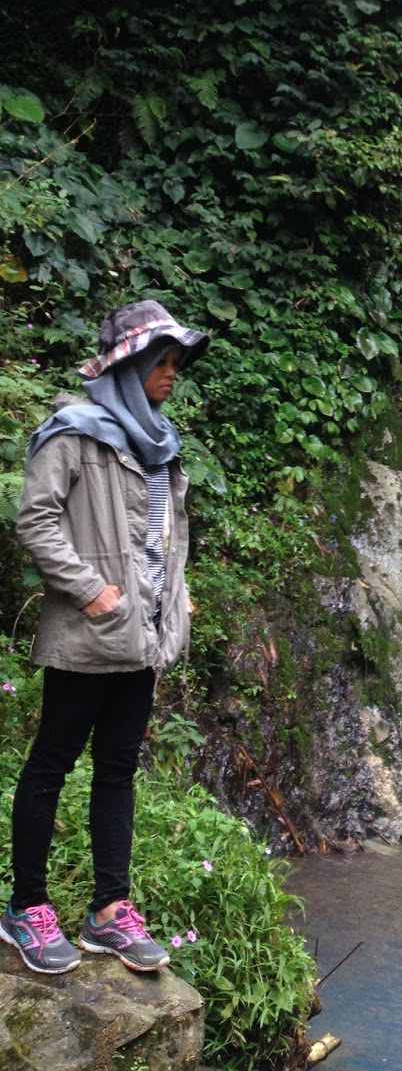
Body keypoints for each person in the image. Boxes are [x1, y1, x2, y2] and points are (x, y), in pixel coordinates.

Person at [1, 300, 208, 976]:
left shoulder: (162, 441)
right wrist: (90, 589)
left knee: (118, 769)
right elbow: (35, 521)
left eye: (177, 362)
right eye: (163, 362)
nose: (173, 373)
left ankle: (109, 913)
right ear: (129, 365)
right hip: (90, 632)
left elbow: (162, 537)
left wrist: (176, 590)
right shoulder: (74, 435)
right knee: (53, 763)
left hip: (143, 636)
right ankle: (25, 908)